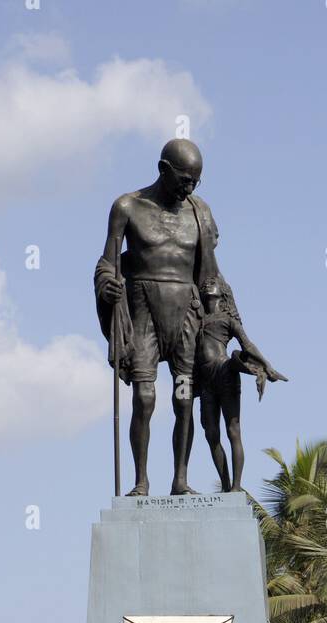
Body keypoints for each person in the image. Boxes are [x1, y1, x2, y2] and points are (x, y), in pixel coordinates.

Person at [94, 139, 222, 495]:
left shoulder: (201, 212)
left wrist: (222, 326)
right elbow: (108, 262)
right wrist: (107, 286)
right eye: (184, 179)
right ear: (164, 170)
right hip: (143, 308)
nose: (189, 188)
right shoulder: (127, 207)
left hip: (186, 310)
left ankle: (180, 480)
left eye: (196, 181)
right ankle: (141, 481)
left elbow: (211, 274)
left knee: (184, 396)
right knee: (144, 396)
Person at [195, 278, 287, 492]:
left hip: (225, 372)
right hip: (206, 379)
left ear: (222, 293)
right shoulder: (198, 321)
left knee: (232, 431)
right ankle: (226, 486)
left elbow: (247, 344)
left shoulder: (228, 319)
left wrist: (267, 366)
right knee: (211, 434)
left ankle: (236, 487)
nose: (208, 285)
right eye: (205, 284)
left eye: (213, 283)